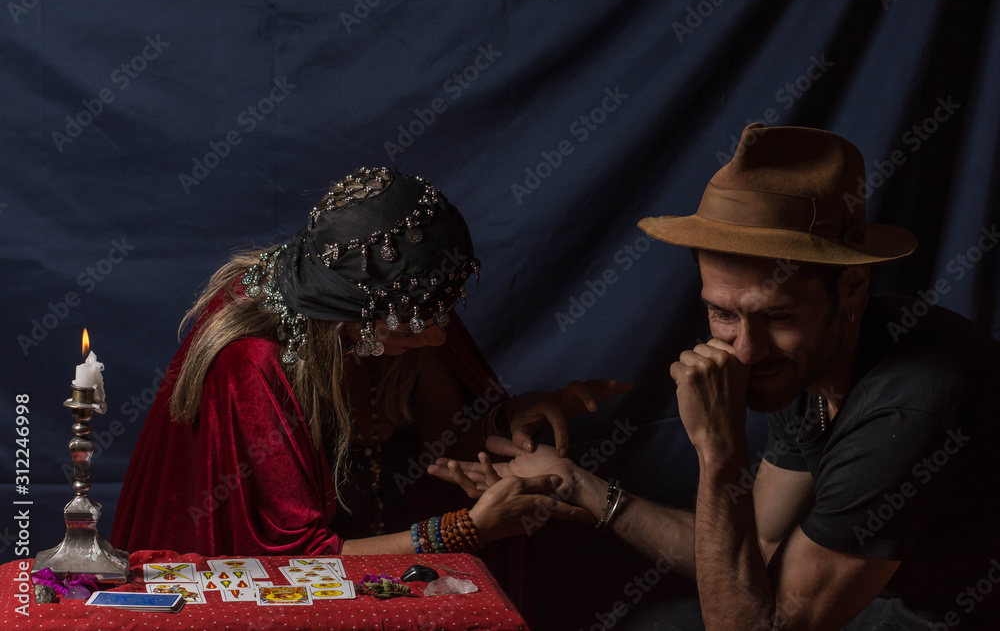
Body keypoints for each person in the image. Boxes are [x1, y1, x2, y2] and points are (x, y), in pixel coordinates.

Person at [435, 125, 1000, 629]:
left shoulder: (911, 405)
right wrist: (577, 485)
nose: (745, 351)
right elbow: (758, 546)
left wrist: (717, 451)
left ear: (851, 289)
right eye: (722, 313)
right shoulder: (810, 360)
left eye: (777, 315)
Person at [110, 166, 623, 557]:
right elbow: (293, 561)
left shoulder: (408, 307)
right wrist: (463, 530)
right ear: (349, 313)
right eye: (418, 324)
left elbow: (441, 453)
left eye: (445, 314)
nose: (439, 335)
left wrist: (509, 422)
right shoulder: (253, 365)